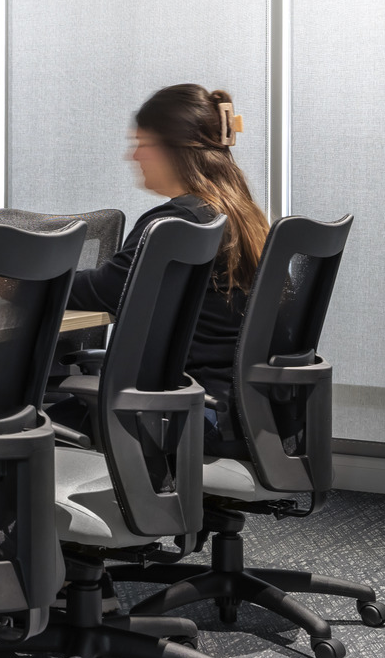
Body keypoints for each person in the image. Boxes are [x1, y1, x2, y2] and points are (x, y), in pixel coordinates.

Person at [66, 84, 270, 454]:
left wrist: (22, 281)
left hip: (194, 411)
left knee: (29, 420)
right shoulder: (240, 217)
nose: (134, 155)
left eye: (144, 142)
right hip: (239, 410)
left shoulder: (178, 224)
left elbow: (104, 291)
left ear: (176, 150)